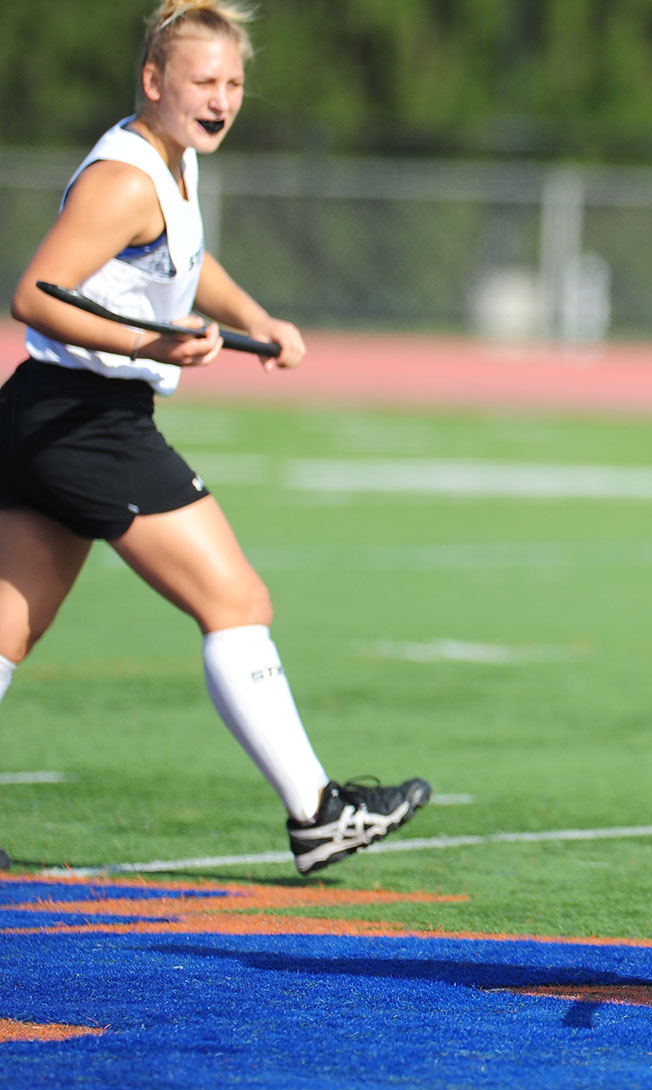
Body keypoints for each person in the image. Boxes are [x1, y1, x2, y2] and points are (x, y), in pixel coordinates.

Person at [3, 0, 428, 876]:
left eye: (234, 82)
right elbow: (36, 293)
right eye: (204, 80)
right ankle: (318, 812)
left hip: (48, 415)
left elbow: (186, 260)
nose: (222, 97)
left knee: (6, 632)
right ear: (154, 82)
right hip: (88, 419)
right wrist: (153, 344)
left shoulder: (175, 160)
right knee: (237, 600)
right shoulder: (126, 177)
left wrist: (256, 319)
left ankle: (317, 810)